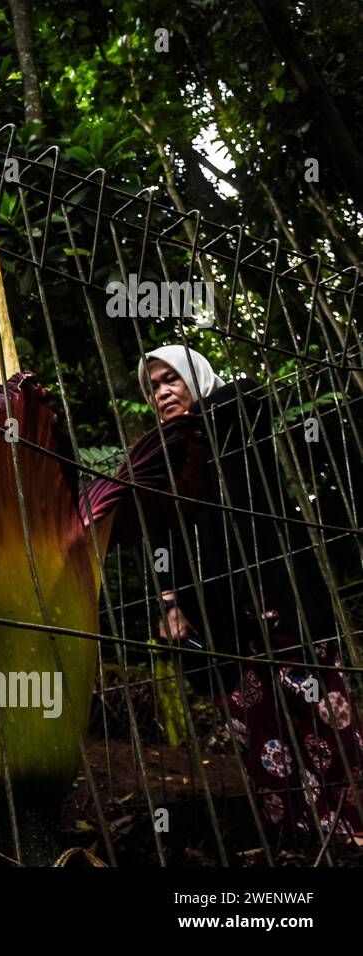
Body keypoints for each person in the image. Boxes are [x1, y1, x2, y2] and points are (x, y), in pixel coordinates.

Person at [138, 345, 363, 843]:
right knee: (260, 737)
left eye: (171, 378)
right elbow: (163, 539)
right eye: (153, 386)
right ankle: (296, 841)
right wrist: (171, 604)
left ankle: (348, 831)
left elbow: (247, 400)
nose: (162, 392)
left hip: (282, 599)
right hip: (223, 622)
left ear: (198, 377)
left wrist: (197, 420)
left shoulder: (238, 413)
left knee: (323, 723)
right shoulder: (164, 457)